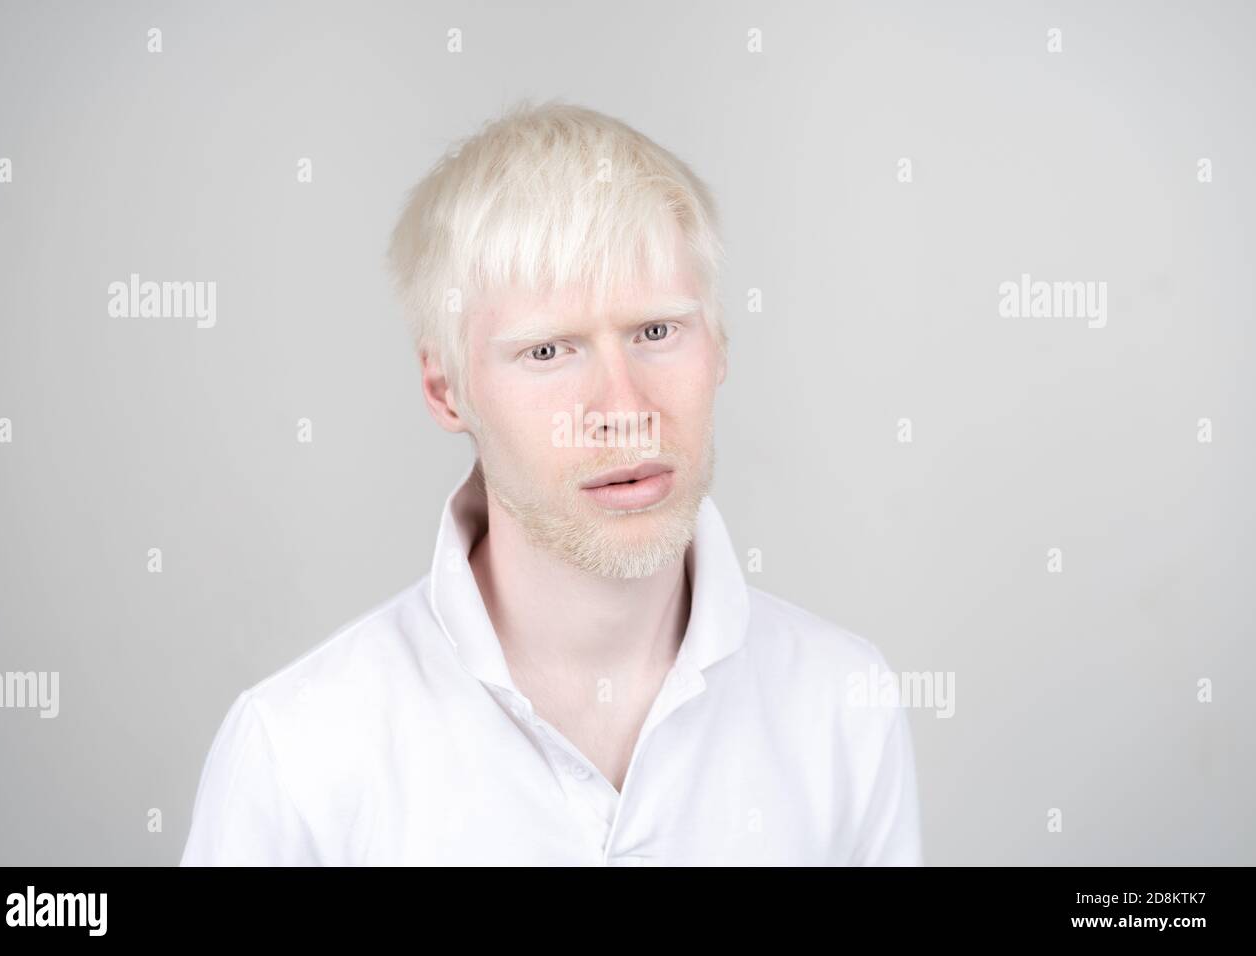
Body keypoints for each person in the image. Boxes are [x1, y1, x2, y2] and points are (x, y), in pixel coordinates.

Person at [180, 100, 923, 865]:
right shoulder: (298, 753)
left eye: (657, 332)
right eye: (548, 352)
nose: (625, 410)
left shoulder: (843, 702)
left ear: (721, 345)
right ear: (446, 390)